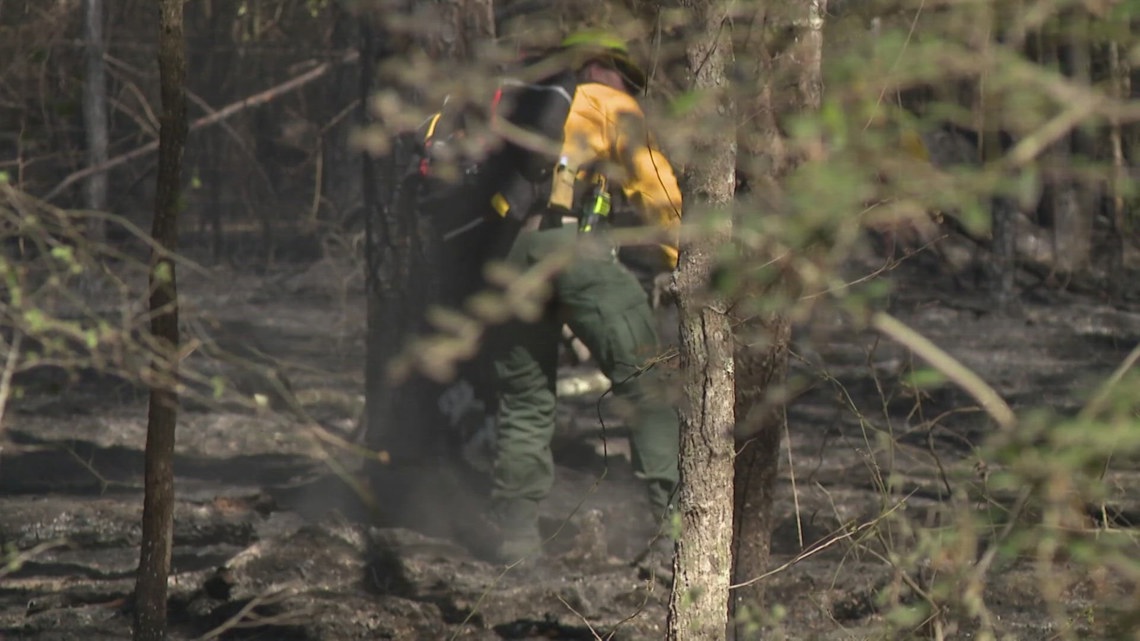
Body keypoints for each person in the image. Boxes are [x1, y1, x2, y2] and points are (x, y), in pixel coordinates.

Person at [482, 29, 684, 577]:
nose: (629, 88)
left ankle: (517, 544)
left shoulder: (507, 99)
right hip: (570, 249)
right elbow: (654, 185)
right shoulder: (606, 102)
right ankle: (675, 539)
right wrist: (680, 258)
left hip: (506, 261)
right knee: (648, 384)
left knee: (524, 402)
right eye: (625, 75)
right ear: (599, 64)